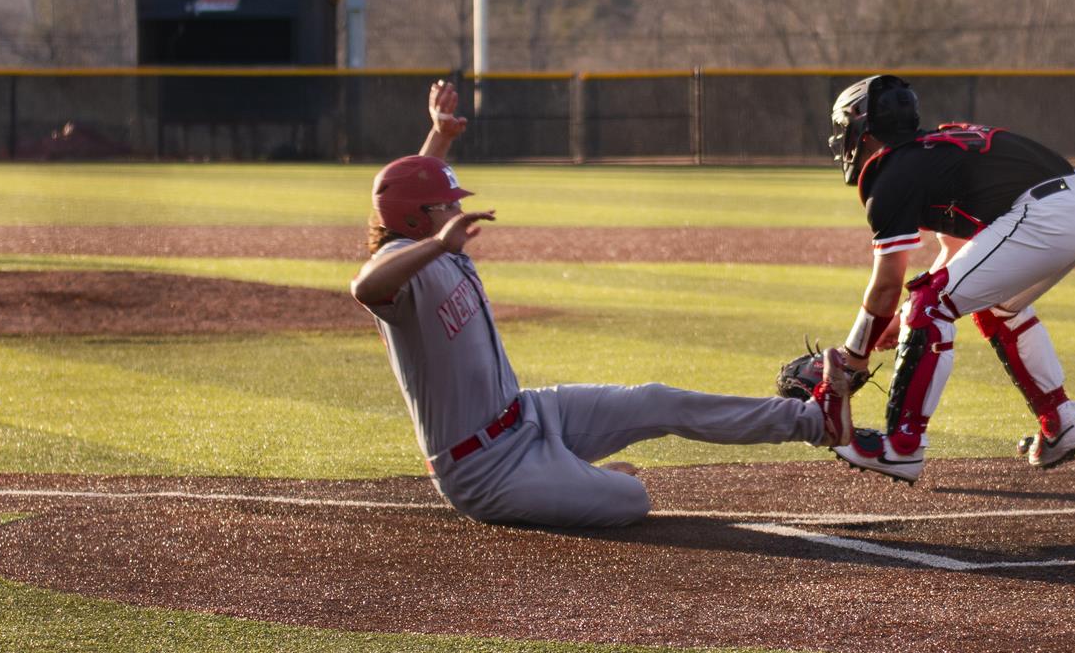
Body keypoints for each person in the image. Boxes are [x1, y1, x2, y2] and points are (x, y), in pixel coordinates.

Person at [352, 80, 851, 529]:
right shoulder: (403, 266)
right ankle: (575, 478)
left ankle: (813, 420)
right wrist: (439, 242)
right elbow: (366, 285)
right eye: (447, 203)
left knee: (657, 400)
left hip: (531, 413)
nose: (458, 208)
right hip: (485, 469)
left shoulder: (421, 237)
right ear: (418, 221)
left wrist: (438, 138)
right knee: (631, 497)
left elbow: (411, 195)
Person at [819, 75, 1075, 484]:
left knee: (930, 305)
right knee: (998, 307)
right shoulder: (933, 150)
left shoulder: (891, 174)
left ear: (863, 130)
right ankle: (1060, 422)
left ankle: (901, 448)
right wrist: (900, 321)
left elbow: (886, 284)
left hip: (1048, 215)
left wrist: (854, 358)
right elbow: (954, 252)